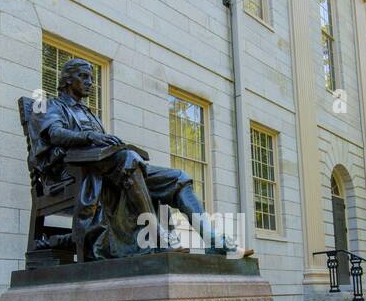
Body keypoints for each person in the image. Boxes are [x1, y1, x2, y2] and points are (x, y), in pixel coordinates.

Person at [27, 58, 248, 260]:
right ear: (66, 80)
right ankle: (157, 236)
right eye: (83, 76)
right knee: (128, 159)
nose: (90, 83)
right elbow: (55, 135)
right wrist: (91, 136)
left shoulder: (89, 113)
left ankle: (212, 239)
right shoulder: (48, 105)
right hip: (75, 175)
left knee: (178, 177)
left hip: (112, 169)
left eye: (92, 78)